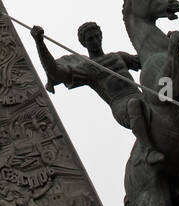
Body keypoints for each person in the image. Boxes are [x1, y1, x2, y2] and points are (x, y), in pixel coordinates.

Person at [31, 21, 164, 163]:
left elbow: (146, 60)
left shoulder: (118, 56)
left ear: (101, 36)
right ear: (84, 44)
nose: (95, 41)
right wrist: (40, 43)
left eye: (96, 37)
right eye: (90, 39)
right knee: (134, 105)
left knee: (165, 96)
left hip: (142, 96)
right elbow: (56, 73)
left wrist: (163, 45)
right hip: (122, 105)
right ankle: (148, 150)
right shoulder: (87, 68)